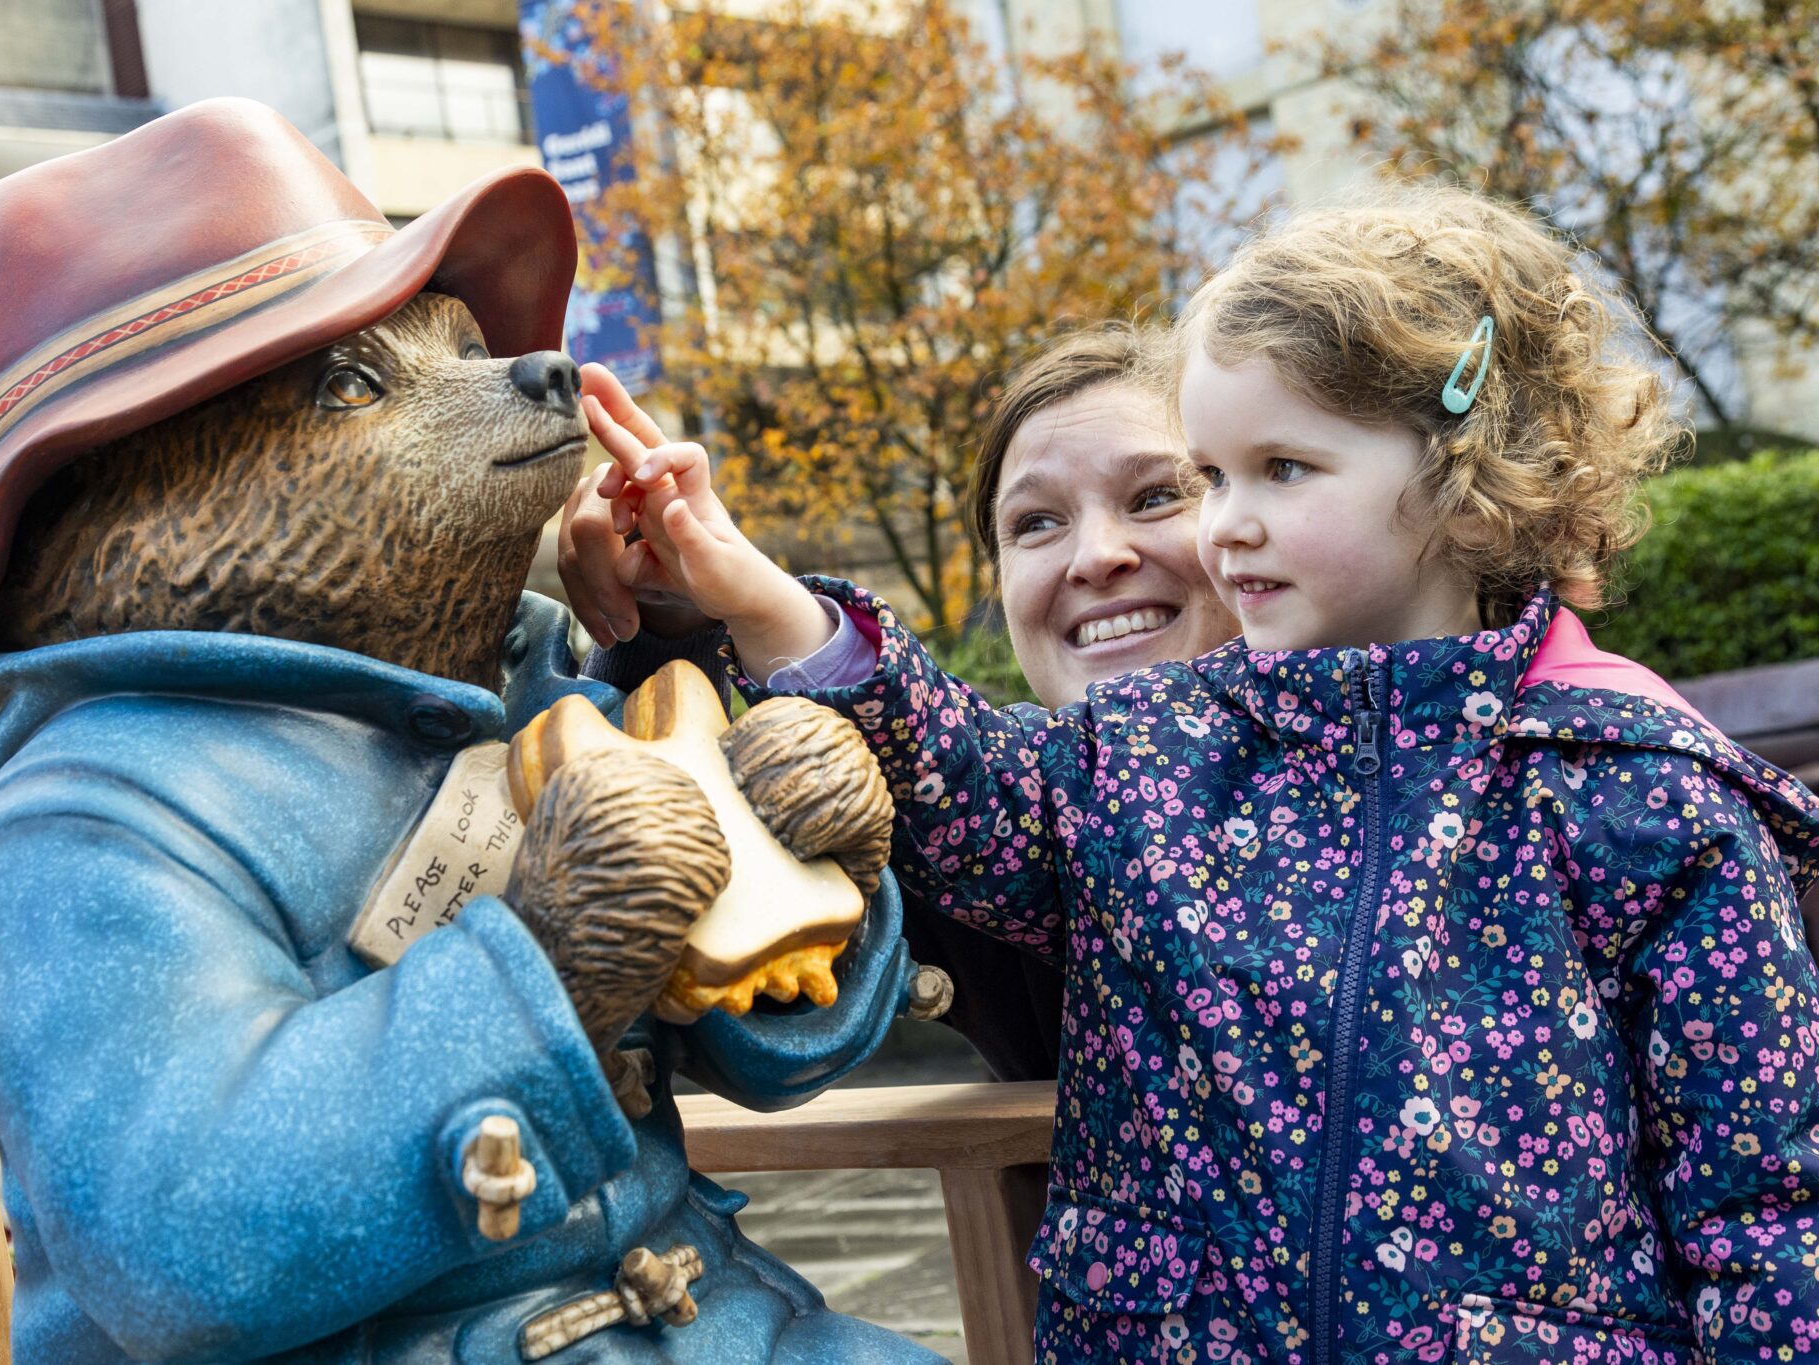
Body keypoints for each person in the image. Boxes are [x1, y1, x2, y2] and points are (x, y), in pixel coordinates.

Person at [573, 185, 1819, 1363]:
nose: (1226, 522)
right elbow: (951, 772)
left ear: (1467, 480)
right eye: (1214, 476)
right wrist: (752, 595)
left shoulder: (1636, 796)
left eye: (1281, 469)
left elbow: (1763, 1196)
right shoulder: (1151, 750)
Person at [560, 325, 1239, 1082]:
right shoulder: (974, 822)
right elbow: (681, 929)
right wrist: (670, 622)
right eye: (1036, 523)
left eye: (1156, 497)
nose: (1096, 556)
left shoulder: (1351, 761)